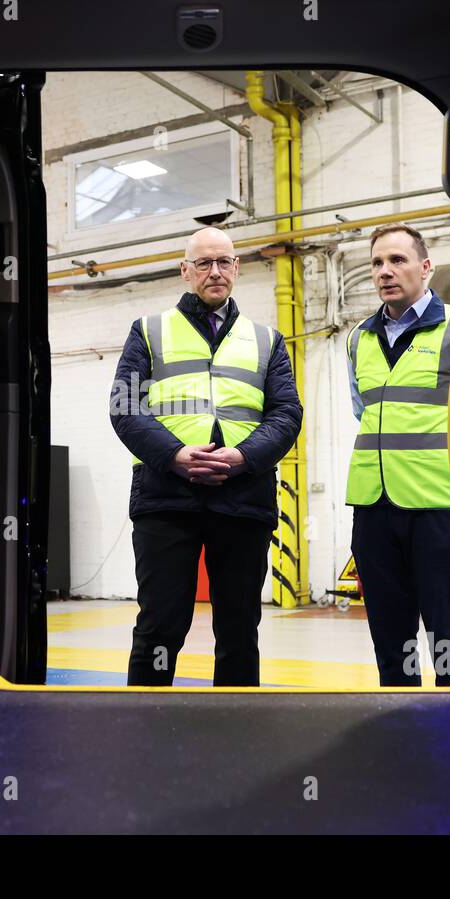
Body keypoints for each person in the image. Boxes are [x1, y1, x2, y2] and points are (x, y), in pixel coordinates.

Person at [109, 226, 302, 686]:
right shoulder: (149, 331)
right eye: (203, 263)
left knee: (239, 627)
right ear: (185, 271)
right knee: (160, 625)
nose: (214, 271)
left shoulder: (268, 341)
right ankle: (147, 718)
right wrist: (174, 454)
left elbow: (287, 413)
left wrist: (243, 457)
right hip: (166, 497)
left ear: (236, 268)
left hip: (242, 497)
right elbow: (124, 407)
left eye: (224, 262)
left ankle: (236, 731)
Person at [345, 223, 450, 686]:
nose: (385, 271)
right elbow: (363, 411)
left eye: (397, 260)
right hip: (374, 505)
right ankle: (399, 724)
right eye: (377, 263)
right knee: (389, 632)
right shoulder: (359, 338)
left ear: (426, 266)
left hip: (440, 503)